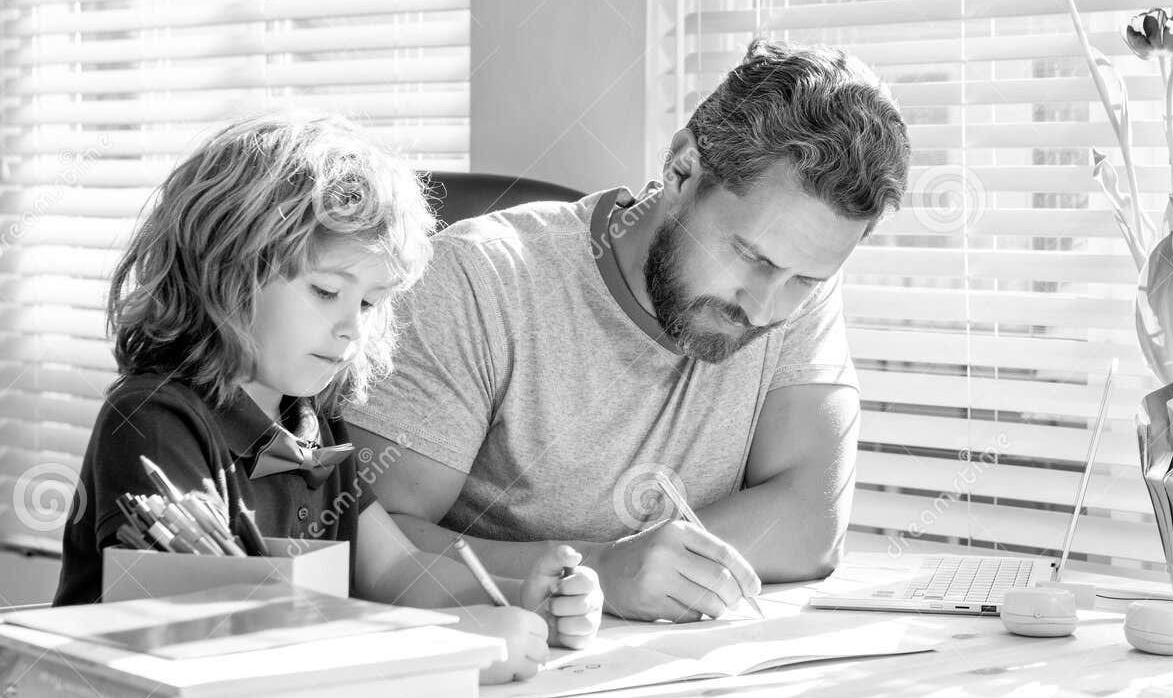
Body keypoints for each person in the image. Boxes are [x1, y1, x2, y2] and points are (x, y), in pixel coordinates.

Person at [347, 39, 911, 622]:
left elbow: (809, 524)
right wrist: (599, 571)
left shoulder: (794, 284)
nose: (765, 309)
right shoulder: (477, 280)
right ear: (683, 169)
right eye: (752, 258)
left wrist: (647, 567)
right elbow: (362, 540)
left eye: (806, 280)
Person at [57, 112, 601, 682]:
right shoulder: (155, 420)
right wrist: (448, 653)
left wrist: (512, 599)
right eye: (326, 291)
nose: (351, 329)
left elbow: (395, 569)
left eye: (368, 304)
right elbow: (217, 628)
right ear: (226, 271)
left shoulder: (311, 426)